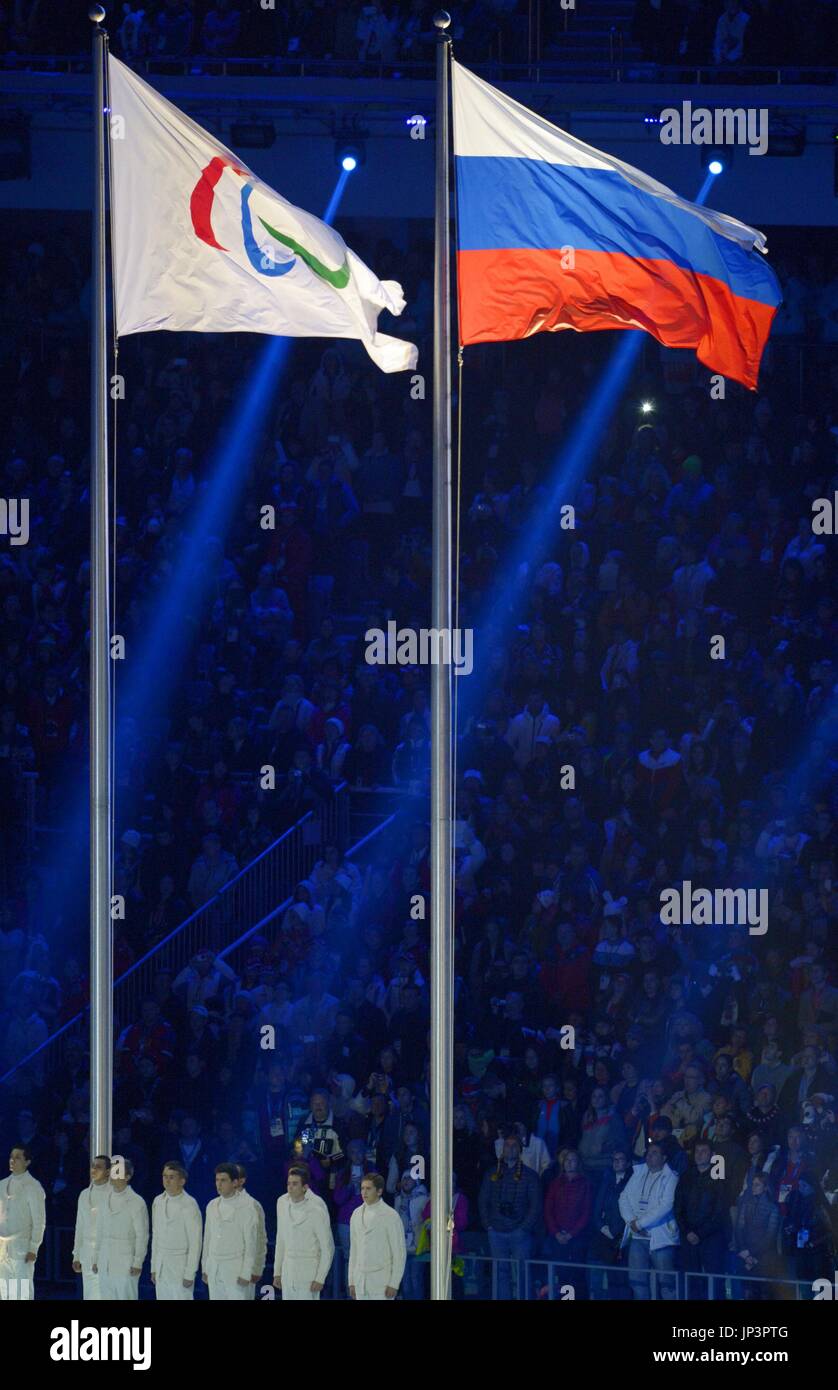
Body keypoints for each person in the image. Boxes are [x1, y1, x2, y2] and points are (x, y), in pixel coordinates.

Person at [478, 1134, 541, 1300]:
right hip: (496, 1231)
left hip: (520, 1231)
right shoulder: (492, 1173)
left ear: (520, 1150)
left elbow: (535, 1206)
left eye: (514, 1145)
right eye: (507, 1145)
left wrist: (524, 1228)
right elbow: (483, 1200)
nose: (510, 1148)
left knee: (523, 1273)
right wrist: (488, 1225)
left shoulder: (530, 1175)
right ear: (502, 1149)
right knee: (500, 1272)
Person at [618, 1142, 680, 1300]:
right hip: (638, 1237)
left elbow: (665, 1206)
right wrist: (632, 1222)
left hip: (660, 1238)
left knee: (667, 1285)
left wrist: (639, 1224)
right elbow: (623, 1198)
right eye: (648, 1152)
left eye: (654, 1153)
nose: (649, 1155)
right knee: (637, 1282)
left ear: (664, 1157)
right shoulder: (638, 1172)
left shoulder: (671, 1177)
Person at [673, 1140, 727, 1299]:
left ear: (712, 1155)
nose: (699, 1154)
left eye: (704, 1151)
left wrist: (700, 1233)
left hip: (711, 1238)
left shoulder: (719, 1179)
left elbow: (719, 1212)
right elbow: (678, 1207)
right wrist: (688, 1231)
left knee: (715, 1282)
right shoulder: (686, 1176)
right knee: (691, 1280)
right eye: (697, 1151)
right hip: (688, 1236)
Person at [273, 1162, 334, 1300]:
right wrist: (277, 1271)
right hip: (288, 1269)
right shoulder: (281, 1203)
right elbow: (280, 1239)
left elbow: (327, 1246)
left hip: (309, 1270)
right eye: (289, 1183)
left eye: (295, 1184)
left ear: (305, 1186)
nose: (290, 1187)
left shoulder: (317, 1207)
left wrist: (320, 1277)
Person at [201, 1163, 258, 1301]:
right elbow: (207, 1239)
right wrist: (205, 1268)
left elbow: (251, 1244)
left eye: (223, 1180)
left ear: (235, 1182)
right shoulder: (212, 1205)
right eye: (217, 1180)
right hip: (214, 1267)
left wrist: (246, 1273)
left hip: (235, 1269)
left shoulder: (247, 1208)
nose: (219, 1184)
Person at [94, 1158, 149, 1300]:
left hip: (126, 1261)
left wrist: (137, 1262)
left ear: (128, 1176)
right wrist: (96, 1258)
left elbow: (142, 1235)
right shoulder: (104, 1198)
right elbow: (99, 1230)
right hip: (105, 1259)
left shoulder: (136, 1202)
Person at [348, 1172, 406, 1300]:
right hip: (360, 1280)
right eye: (362, 1188)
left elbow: (399, 1253)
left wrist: (394, 1283)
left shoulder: (391, 1216)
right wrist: (351, 1281)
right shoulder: (356, 1214)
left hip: (382, 1282)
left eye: (368, 1188)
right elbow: (354, 1251)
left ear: (379, 1191)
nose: (364, 1192)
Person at [150, 1162, 203, 1300]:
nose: (167, 1180)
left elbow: (195, 1242)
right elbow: (156, 1236)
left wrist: (190, 1273)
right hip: (162, 1265)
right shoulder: (158, 1201)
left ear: (182, 1181)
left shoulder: (189, 1204)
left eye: (172, 1177)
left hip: (180, 1264)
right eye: (165, 1176)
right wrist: (154, 1267)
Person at [0, 1145, 45, 1301]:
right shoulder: (2, 1184)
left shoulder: (33, 1187)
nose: (13, 1160)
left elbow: (39, 1221)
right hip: (2, 1249)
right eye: (12, 1156)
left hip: (22, 1247)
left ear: (27, 1162)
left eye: (18, 1157)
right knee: (4, 1292)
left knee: (21, 1292)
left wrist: (33, 1247)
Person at [72, 1154, 112, 1300]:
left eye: (99, 1167)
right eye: (93, 1166)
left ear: (108, 1171)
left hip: (106, 1253)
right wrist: (76, 1255)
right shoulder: (84, 1194)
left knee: (106, 1294)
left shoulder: (113, 1194)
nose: (94, 1169)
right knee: (89, 1294)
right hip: (86, 1253)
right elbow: (80, 1226)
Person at [234, 1163, 266, 1299]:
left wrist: (257, 1268)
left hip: (244, 1268)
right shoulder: (215, 1204)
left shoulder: (253, 1205)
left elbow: (260, 1239)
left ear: (242, 1180)